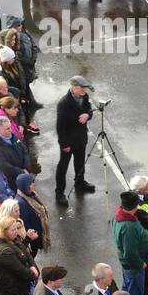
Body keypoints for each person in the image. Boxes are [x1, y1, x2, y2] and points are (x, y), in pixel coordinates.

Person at [54, 75, 95, 206]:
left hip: (81, 138)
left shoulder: (84, 97)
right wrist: (64, 144)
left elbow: (89, 110)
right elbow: (60, 127)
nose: (85, 91)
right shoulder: (64, 103)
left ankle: (80, 182)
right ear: (74, 88)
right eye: (82, 88)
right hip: (68, 141)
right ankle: (59, 192)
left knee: (80, 162)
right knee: (63, 166)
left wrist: (87, 115)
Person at [112, 190, 148, 295]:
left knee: (127, 291)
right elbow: (130, 253)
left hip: (128, 266)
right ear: (134, 206)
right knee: (134, 294)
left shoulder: (120, 216)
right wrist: (141, 263)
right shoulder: (129, 227)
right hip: (134, 267)